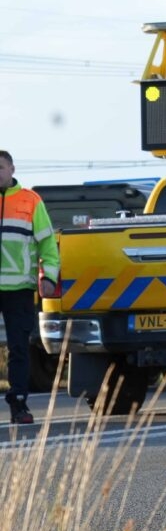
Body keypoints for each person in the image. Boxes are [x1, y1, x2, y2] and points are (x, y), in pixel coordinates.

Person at [0, 151, 59, 424]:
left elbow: (47, 243)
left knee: (19, 349)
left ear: (11, 168)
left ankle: (19, 405)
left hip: (20, 289)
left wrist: (49, 277)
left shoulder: (30, 200)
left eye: (1, 167)